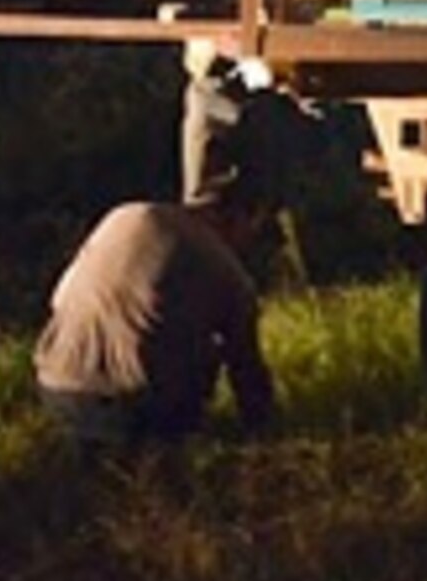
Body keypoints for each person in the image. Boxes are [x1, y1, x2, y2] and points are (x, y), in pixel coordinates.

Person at [32, 187, 276, 449]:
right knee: (206, 352)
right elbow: (247, 374)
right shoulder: (225, 269)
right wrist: (265, 436)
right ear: (236, 216)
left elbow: (59, 299)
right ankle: (168, 449)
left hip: (56, 391)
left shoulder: (124, 216)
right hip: (129, 411)